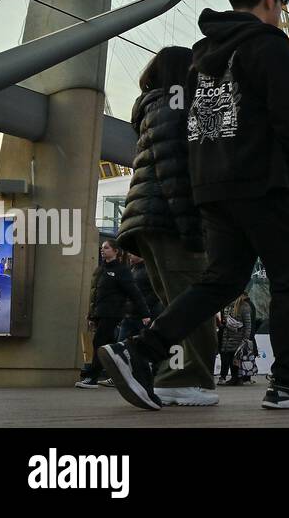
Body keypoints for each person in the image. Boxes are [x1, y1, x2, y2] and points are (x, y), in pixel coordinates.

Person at [99, 0, 289, 411]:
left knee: (220, 281)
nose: (281, 13)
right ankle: (288, 381)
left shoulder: (200, 58)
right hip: (264, 185)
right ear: (271, 0)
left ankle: (140, 351)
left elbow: (199, 126)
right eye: (282, 5)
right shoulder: (269, 45)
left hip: (213, 188)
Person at [115, 45, 218, 407]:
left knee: (175, 301)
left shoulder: (151, 109)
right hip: (171, 221)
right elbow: (177, 173)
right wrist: (194, 230)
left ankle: (171, 375)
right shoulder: (176, 109)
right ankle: (188, 379)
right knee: (195, 300)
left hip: (147, 222)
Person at [76, 239, 150, 389]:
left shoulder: (122, 271)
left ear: (116, 251)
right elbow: (94, 294)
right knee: (112, 345)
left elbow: (134, 293)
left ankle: (92, 378)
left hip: (113, 313)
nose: (103, 250)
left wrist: (145, 313)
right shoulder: (100, 270)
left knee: (99, 342)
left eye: (107, 248)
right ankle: (117, 375)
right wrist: (91, 315)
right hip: (101, 313)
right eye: (102, 248)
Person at [218, 293, 255, 386]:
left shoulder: (244, 306)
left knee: (237, 358)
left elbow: (248, 325)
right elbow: (226, 322)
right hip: (228, 337)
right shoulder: (228, 307)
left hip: (238, 337)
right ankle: (235, 378)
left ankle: (237, 378)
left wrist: (245, 338)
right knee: (231, 357)